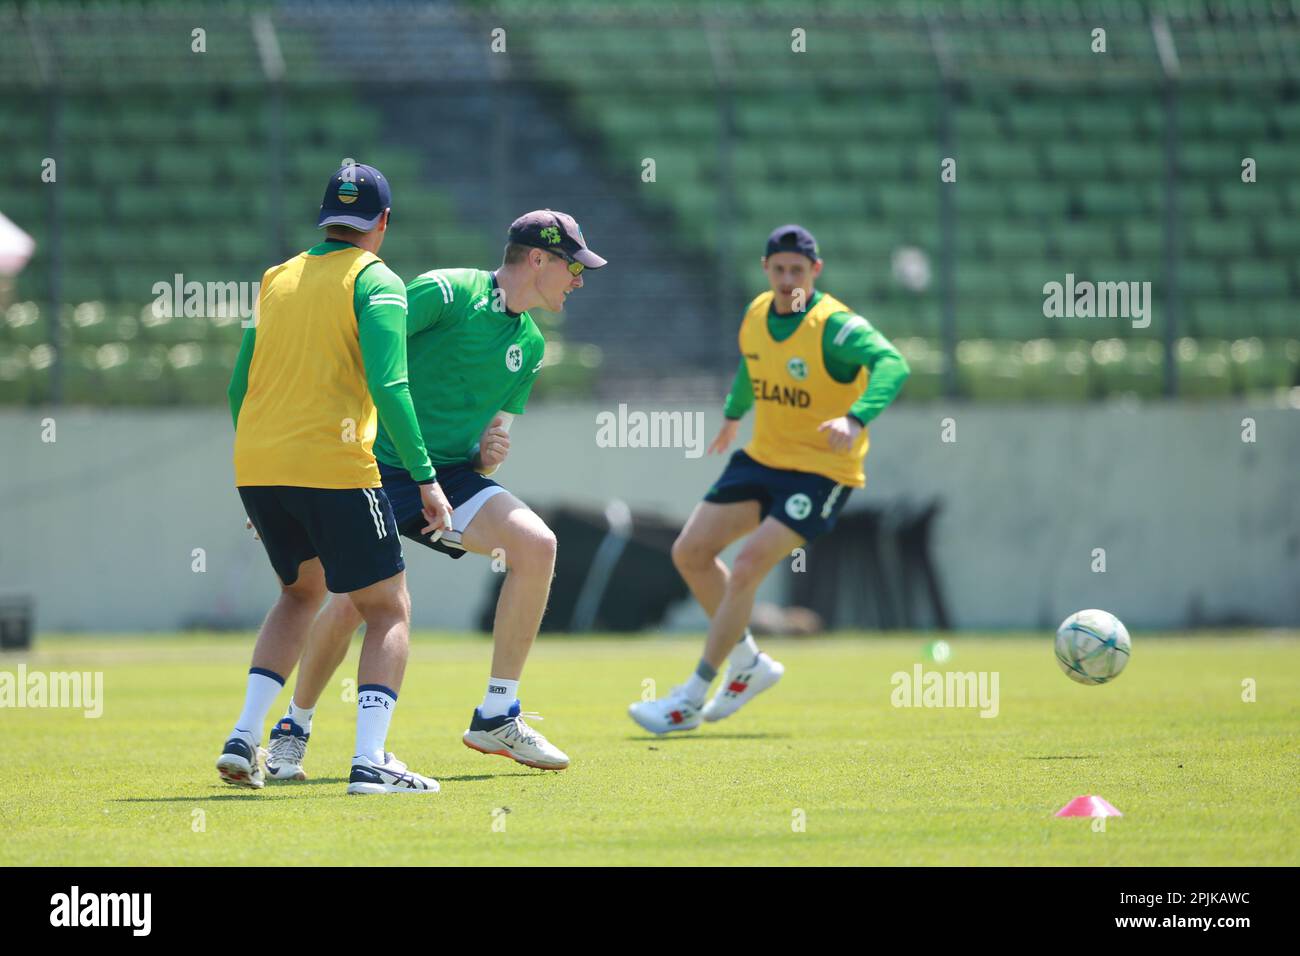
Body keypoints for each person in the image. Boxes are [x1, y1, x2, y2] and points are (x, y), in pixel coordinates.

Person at [263, 209, 606, 778]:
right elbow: (362, 355)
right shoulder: (446, 292)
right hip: (372, 466)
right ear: (538, 258)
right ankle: (292, 731)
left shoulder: (531, 345)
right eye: (573, 267)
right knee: (352, 604)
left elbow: (482, 441)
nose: (579, 280)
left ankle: (497, 714)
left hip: (446, 477)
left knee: (537, 545)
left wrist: (485, 455)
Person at [219, 163, 454, 794]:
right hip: (337, 466)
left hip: (261, 464)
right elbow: (390, 385)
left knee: (301, 594)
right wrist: (427, 478)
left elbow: (239, 386)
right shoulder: (378, 280)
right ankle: (371, 761)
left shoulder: (276, 278)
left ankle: (245, 737)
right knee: (388, 609)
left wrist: (262, 471)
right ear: (382, 222)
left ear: (326, 218)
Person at [629, 224, 910, 734]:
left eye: (797, 271)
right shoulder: (757, 313)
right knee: (689, 552)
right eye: (778, 269)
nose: (787, 280)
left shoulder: (835, 326)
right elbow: (751, 366)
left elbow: (893, 363)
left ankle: (690, 697)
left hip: (822, 471)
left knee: (747, 566)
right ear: (766, 269)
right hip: (764, 459)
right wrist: (734, 414)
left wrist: (856, 417)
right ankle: (750, 665)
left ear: (815, 272)